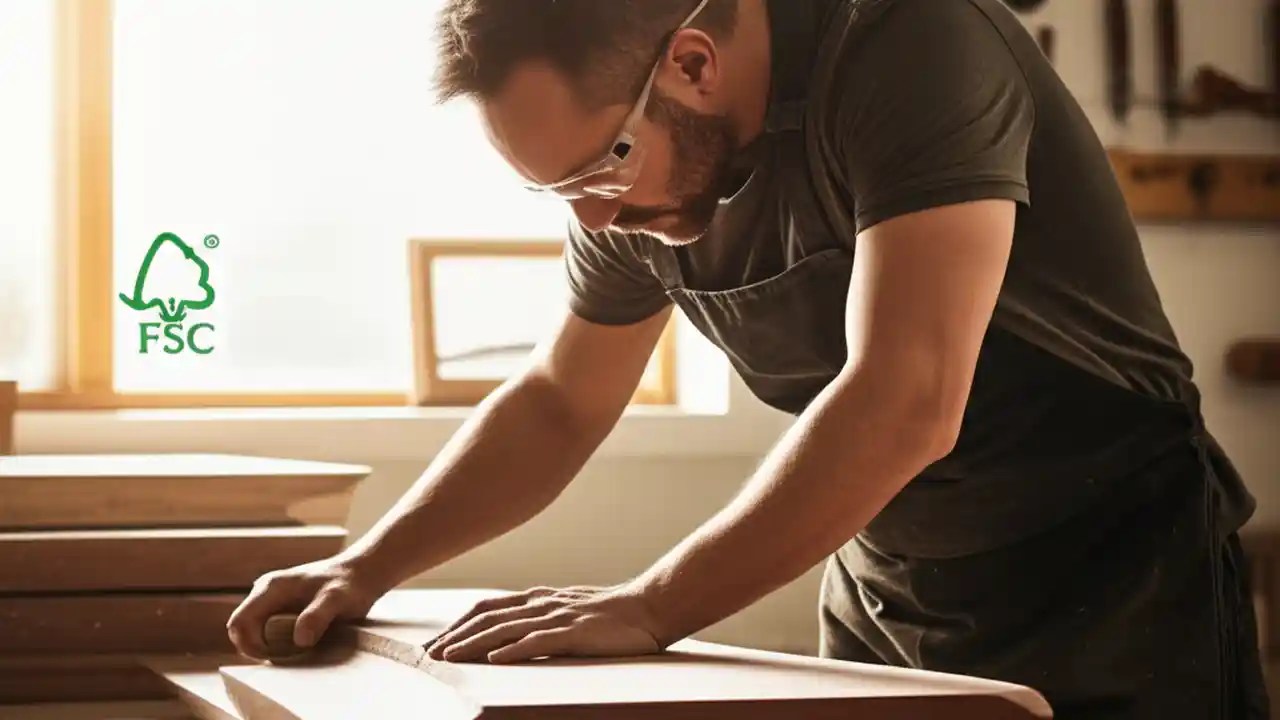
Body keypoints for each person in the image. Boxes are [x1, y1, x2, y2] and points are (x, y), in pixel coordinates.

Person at [226, 1, 1270, 717]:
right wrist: (365, 566)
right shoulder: (631, 177)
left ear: (690, 61)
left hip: (1114, 578)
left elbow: (904, 397)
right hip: (890, 575)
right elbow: (557, 400)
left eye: (600, 166)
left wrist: (651, 603)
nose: (593, 215)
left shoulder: (910, 46)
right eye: (557, 191)